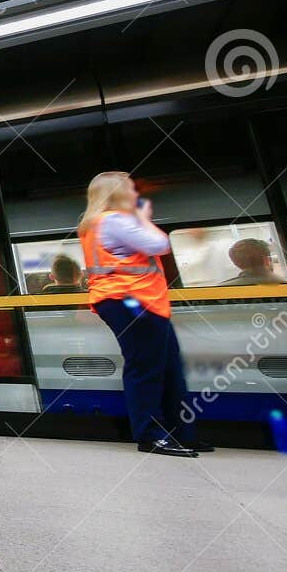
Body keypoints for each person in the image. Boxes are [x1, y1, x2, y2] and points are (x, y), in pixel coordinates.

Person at [79, 172, 204, 458]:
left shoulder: (98, 223)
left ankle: (182, 432)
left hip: (141, 301)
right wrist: (142, 217)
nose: (136, 194)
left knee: (169, 366)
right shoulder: (113, 220)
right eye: (131, 190)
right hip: (130, 300)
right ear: (117, 193)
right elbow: (159, 245)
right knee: (146, 367)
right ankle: (150, 435)